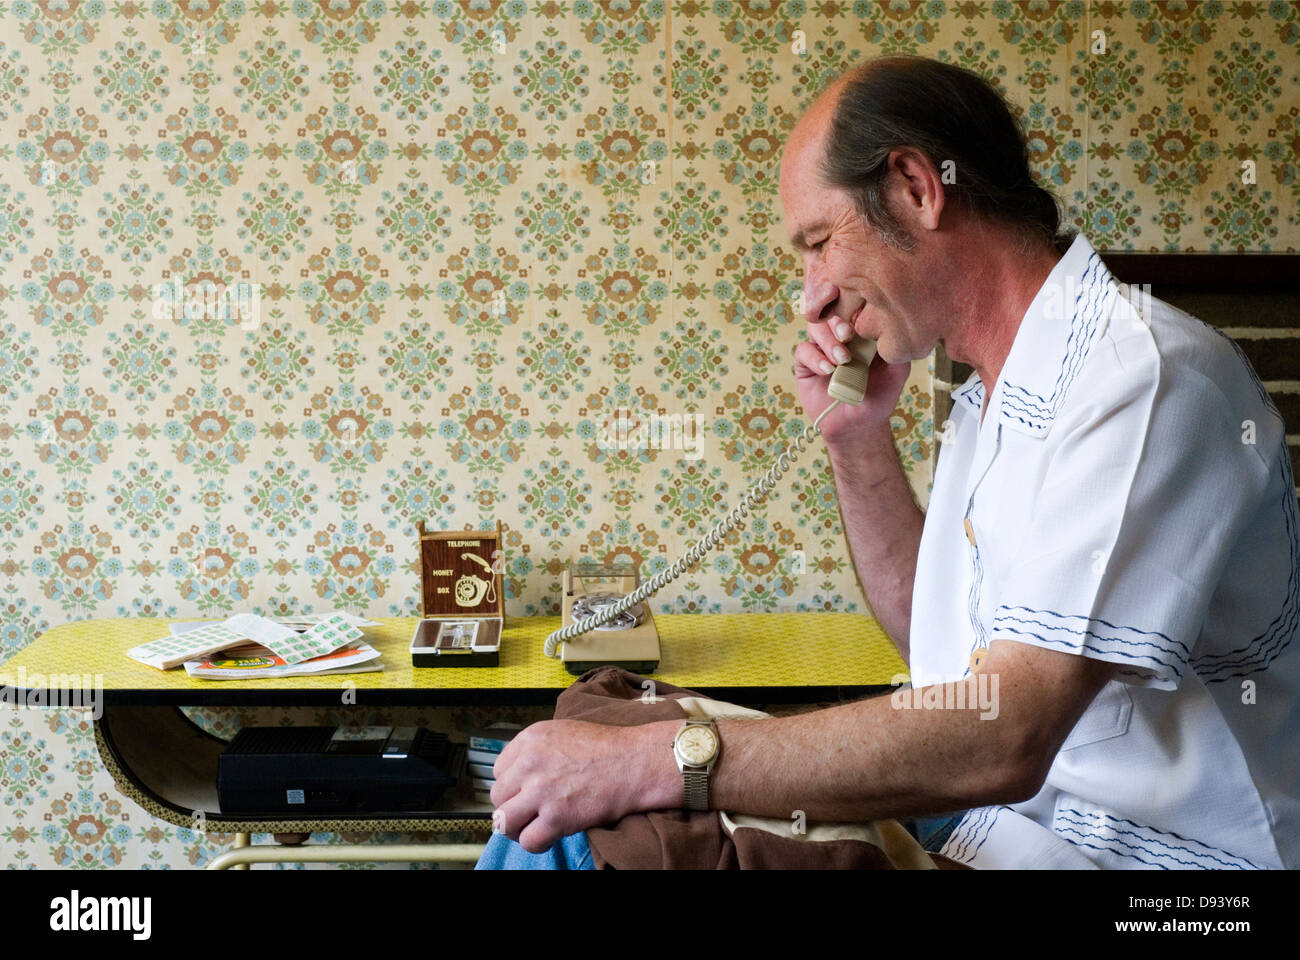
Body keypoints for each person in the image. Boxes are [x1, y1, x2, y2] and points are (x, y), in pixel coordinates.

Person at [477, 55, 1299, 870]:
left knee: (609, 822)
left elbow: (1005, 733)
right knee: (591, 725)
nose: (812, 297)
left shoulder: (1141, 378)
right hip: (992, 828)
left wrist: (663, 765)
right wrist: (857, 439)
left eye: (819, 242)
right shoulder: (992, 394)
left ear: (916, 186)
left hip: (1161, 878)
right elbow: (940, 652)